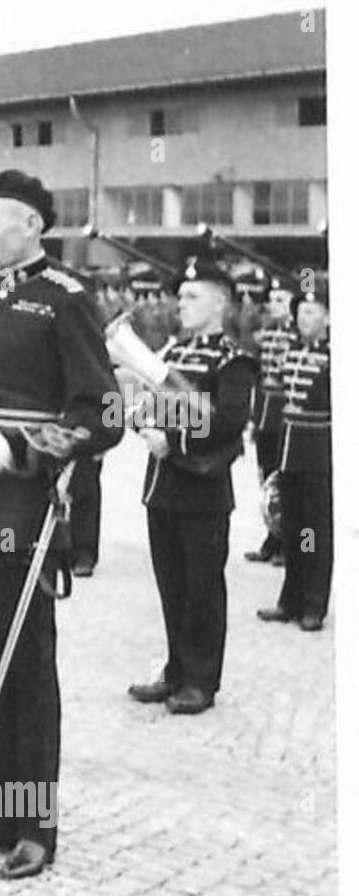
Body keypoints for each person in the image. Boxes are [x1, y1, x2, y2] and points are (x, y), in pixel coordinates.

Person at [0, 166, 122, 880]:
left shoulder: (66, 298)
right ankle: (3, 815)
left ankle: (37, 825)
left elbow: (103, 412)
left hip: (28, 504)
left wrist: (20, 447)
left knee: (29, 669)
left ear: (32, 225)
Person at [127, 260, 256, 716]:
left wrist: (173, 438)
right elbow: (144, 399)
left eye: (193, 297)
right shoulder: (173, 352)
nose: (181, 304)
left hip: (200, 489)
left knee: (202, 586)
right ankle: (176, 668)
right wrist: (132, 412)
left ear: (220, 303)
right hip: (162, 487)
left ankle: (201, 680)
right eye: (180, 297)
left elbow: (227, 422)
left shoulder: (234, 360)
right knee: (171, 584)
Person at [257, 286, 331, 631]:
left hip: (316, 452)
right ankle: (291, 597)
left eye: (313, 312)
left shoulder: (333, 357)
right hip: (289, 450)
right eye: (301, 312)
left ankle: (314, 602)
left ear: (328, 317)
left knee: (313, 530)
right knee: (293, 524)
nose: (305, 318)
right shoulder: (291, 353)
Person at [245, 278, 295, 564]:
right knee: (267, 480)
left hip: (283, 417)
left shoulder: (294, 336)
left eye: (280, 300)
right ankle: (273, 536)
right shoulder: (270, 333)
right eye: (271, 300)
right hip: (265, 413)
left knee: (285, 482)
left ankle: (295, 543)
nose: (272, 305)